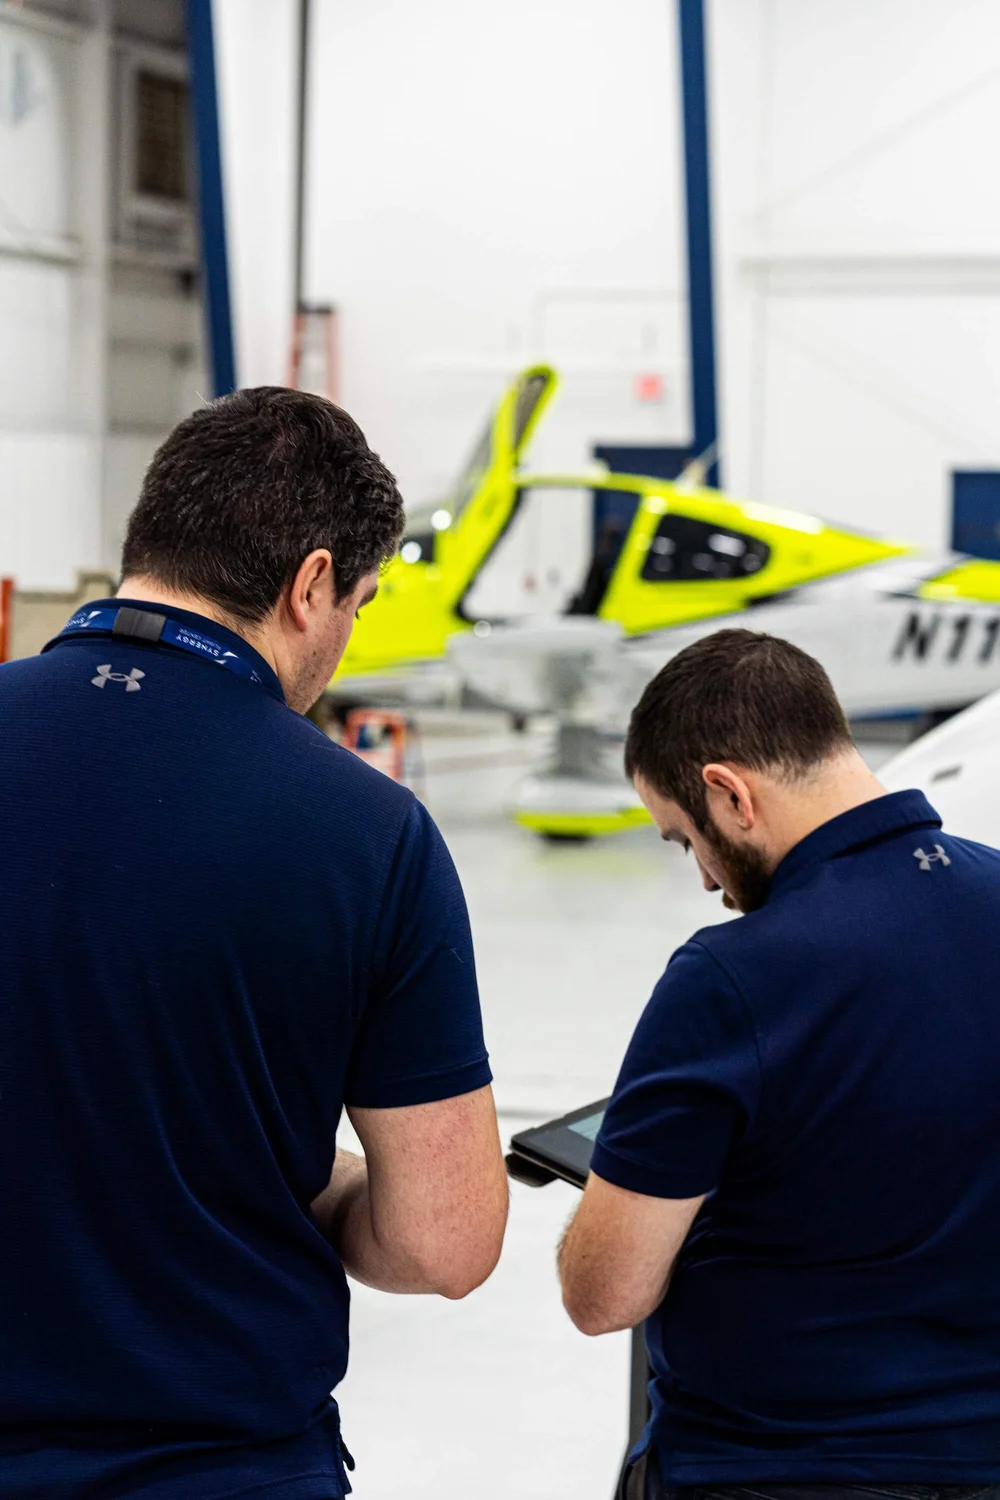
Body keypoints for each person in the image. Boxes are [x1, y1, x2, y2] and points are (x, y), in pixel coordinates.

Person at [0, 388, 509, 1500]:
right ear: (312, 583)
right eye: (359, 605)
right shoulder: (368, 832)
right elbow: (447, 1240)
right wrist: (310, 1187)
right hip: (219, 1467)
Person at [558, 628, 1000, 1500]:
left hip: (772, 1467)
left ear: (728, 794)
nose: (708, 884)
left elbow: (604, 1294)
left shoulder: (730, 978)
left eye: (685, 840)